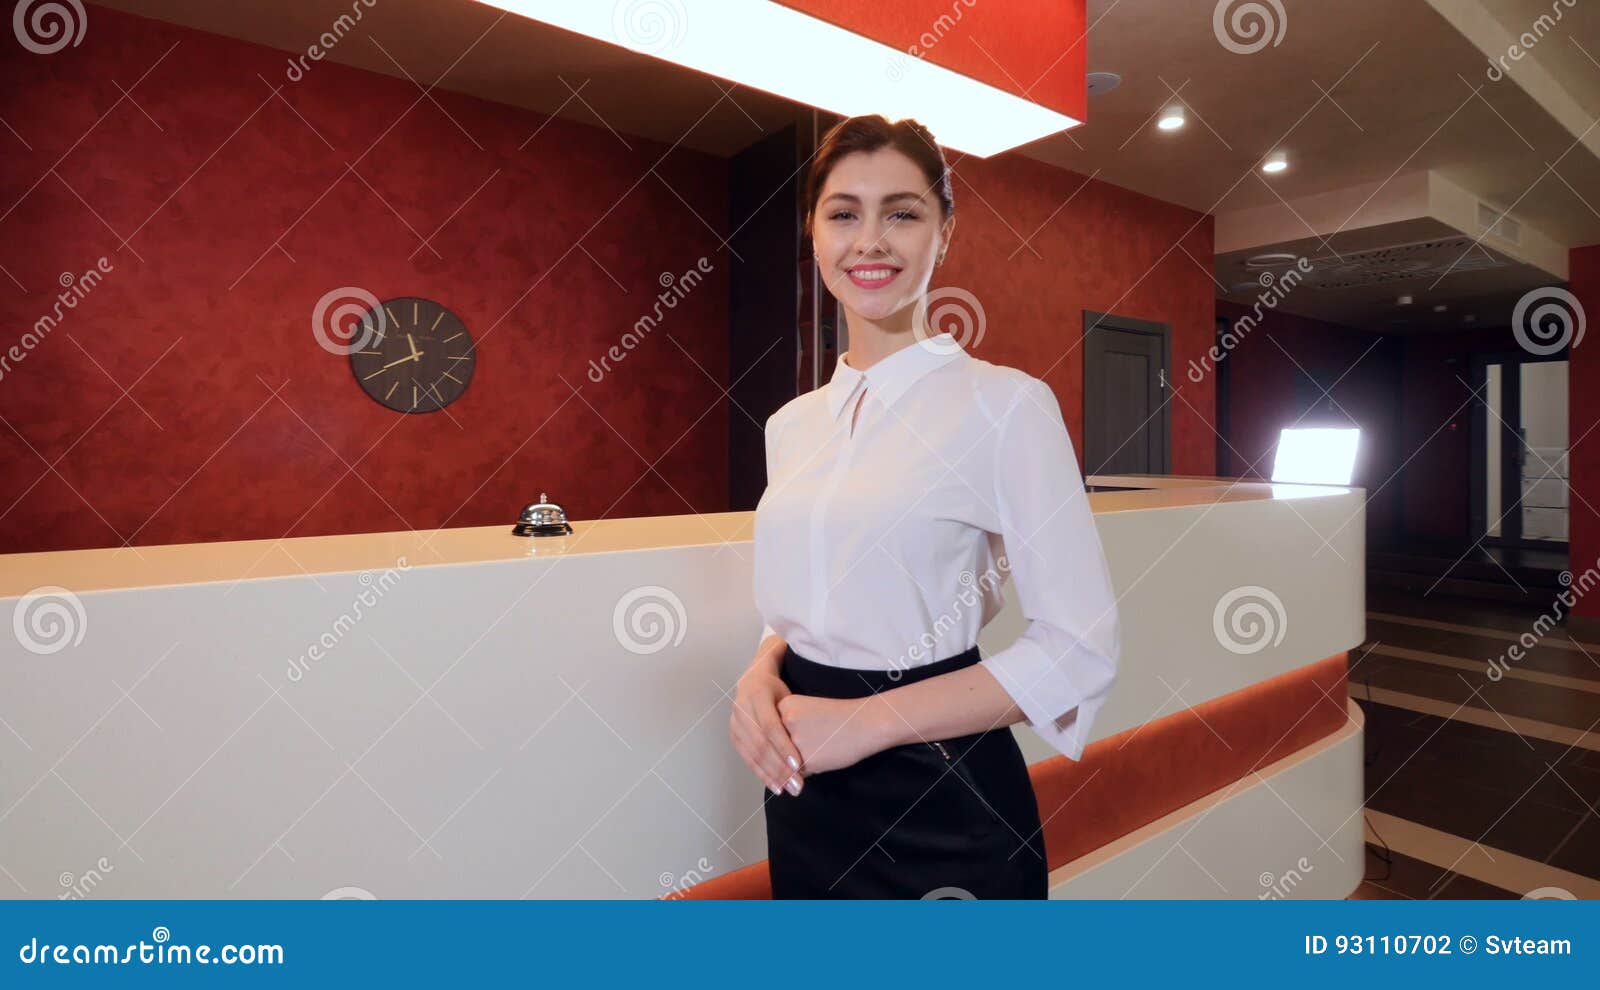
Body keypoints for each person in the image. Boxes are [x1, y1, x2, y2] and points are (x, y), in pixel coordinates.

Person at [729, 113, 1121, 899]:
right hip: (804, 783)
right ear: (813, 232)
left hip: (939, 788)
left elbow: (1080, 650)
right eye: (844, 213)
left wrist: (864, 723)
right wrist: (761, 668)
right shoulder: (790, 424)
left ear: (944, 232)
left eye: (902, 213)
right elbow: (814, 593)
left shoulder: (1006, 406)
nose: (869, 241)